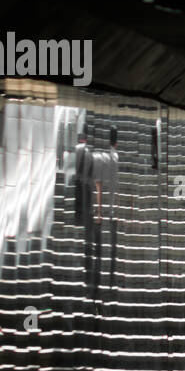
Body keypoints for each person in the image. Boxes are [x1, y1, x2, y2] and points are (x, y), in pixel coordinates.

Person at [84, 126, 120, 301]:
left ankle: (97, 213)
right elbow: (111, 186)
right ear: (117, 143)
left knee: (96, 187)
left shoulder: (105, 155)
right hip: (97, 164)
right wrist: (111, 210)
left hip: (94, 162)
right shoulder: (114, 156)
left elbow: (100, 185)